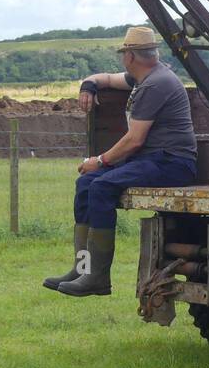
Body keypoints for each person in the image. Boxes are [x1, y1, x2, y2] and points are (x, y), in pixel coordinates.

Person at [43, 26, 197, 297]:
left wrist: (99, 161)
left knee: (101, 185)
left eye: (124, 53)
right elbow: (106, 79)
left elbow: (134, 140)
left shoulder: (155, 84)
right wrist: (88, 85)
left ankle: (98, 278)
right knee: (85, 184)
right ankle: (82, 269)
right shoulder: (142, 77)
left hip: (172, 163)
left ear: (130, 56)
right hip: (152, 160)